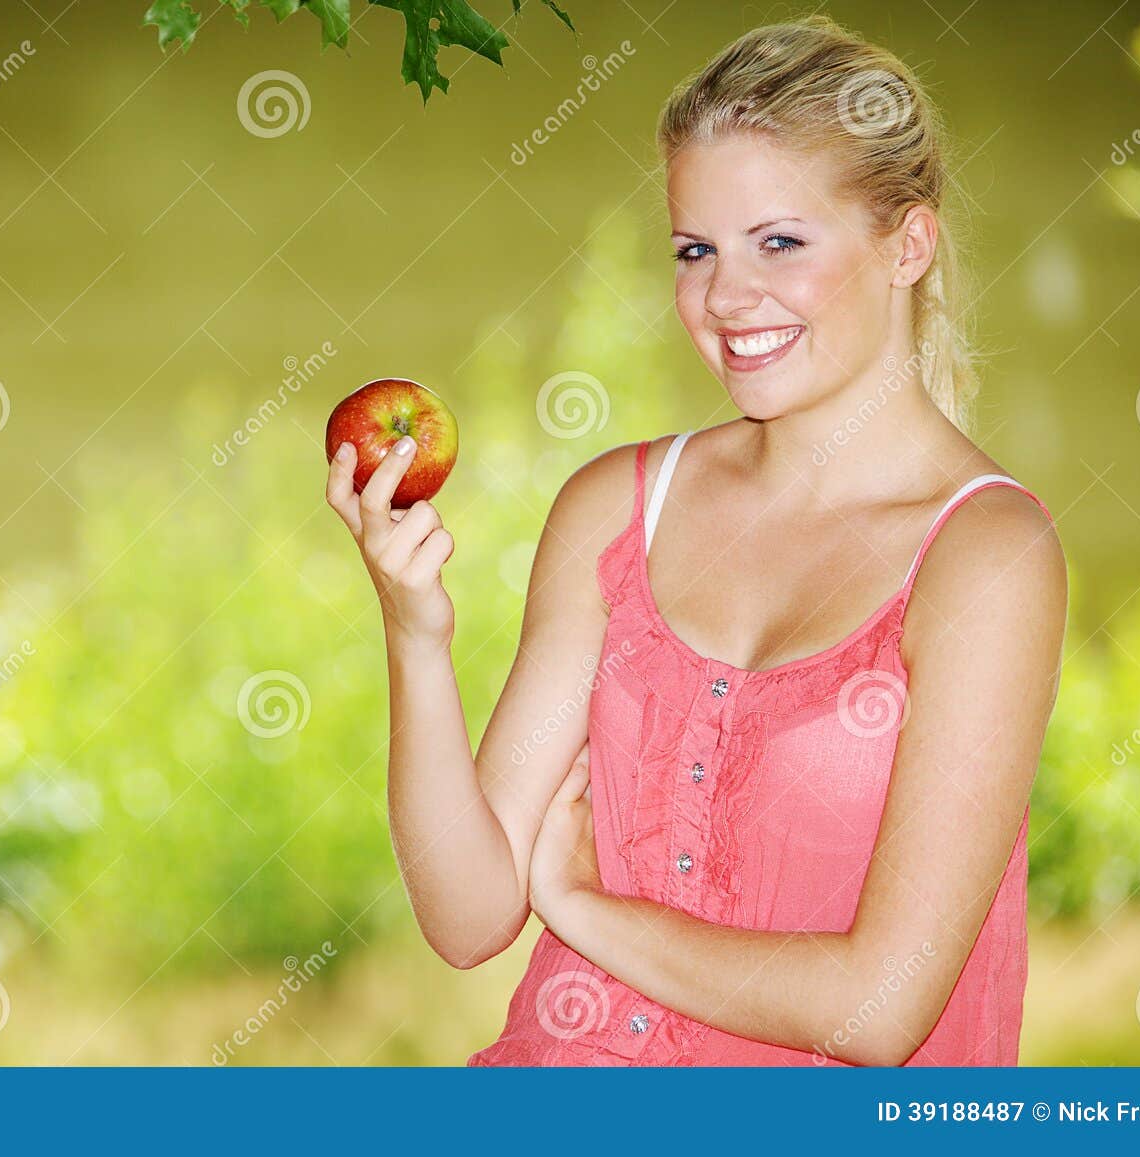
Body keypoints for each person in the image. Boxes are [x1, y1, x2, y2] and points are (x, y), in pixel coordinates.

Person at [323, 14, 1066, 1066]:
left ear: (906, 244)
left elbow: (878, 1010)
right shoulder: (618, 504)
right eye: (695, 250)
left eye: (780, 242)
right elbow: (468, 912)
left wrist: (580, 905)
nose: (725, 296)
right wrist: (414, 632)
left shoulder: (985, 556)